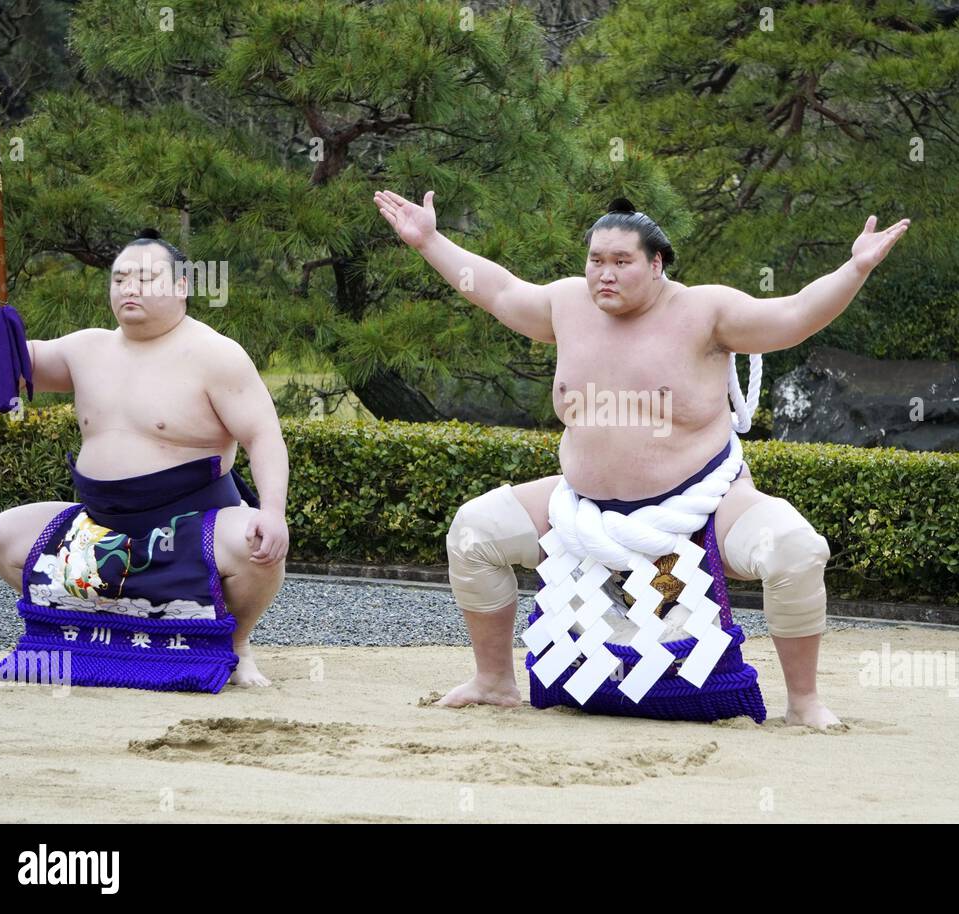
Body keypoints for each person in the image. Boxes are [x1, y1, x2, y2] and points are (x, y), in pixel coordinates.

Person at [374, 190, 909, 727]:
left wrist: (854, 268)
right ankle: (492, 680)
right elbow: (497, 290)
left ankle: (804, 703)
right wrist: (429, 240)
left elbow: (793, 314)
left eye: (621, 262)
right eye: (596, 261)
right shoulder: (566, 305)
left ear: (656, 265)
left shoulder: (707, 311)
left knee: (794, 549)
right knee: (474, 531)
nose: (605, 274)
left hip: (702, 507)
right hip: (580, 511)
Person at [0, 230, 289, 688]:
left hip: (191, 520)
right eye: (120, 278)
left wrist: (273, 511)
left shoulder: (215, 355)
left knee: (256, 548)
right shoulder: (86, 348)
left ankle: (235, 645)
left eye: (146, 277)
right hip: (98, 523)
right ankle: (95, 632)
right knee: (1, 536)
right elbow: (20, 366)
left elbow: (264, 436)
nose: (129, 287)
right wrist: (1, 334)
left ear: (182, 286)